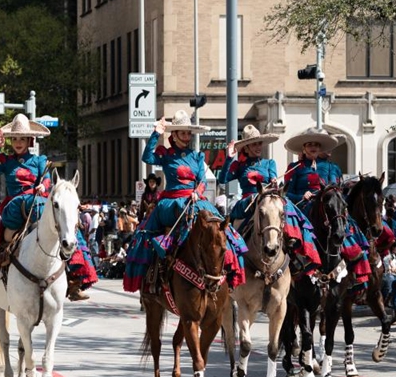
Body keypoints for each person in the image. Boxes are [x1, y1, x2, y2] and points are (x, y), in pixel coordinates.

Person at [123, 110, 247, 293]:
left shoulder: (196, 156)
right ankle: (159, 265)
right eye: (183, 133)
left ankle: (222, 269)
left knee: (217, 225)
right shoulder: (166, 153)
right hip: (172, 200)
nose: (187, 136)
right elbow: (147, 158)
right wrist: (156, 133)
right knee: (182, 215)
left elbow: (202, 180)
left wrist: (198, 190)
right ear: (174, 134)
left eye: (189, 133)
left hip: (195, 199)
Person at [0, 113, 97, 300]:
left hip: (37, 202)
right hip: (15, 205)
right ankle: (1, 268)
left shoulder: (39, 160)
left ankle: (74, 279)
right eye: (14, 138)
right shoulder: (6, 161)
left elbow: (46, 178)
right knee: (25, 217)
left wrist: (44, 185)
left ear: (30, 140)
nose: (18, 142)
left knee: (65, 224)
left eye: (22, 138)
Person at [218, 124, 321, 274]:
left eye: (259, 143)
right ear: (246, 147)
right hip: (248, 201)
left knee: (287, 206)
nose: (258, 147)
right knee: (234, 230)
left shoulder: (269, 163)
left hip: (268, 198)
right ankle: (232, 256)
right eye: (254, 144)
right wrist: (228, 158)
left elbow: (276, 181)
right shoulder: (238, 165)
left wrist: (274, 182)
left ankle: (296, 245)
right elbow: (223, 180)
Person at [283, 127, 372, 291]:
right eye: (309, 144)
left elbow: (336, 189)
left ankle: (355, 272)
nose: (313, 147)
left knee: (349, 228)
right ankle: (294, 264)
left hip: (330, 206)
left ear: (320, 148)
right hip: (304, 207)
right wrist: (302, 196)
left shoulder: (333, 167)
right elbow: (288, 193)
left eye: (316, 144)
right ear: (303, 148)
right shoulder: (295, 167)